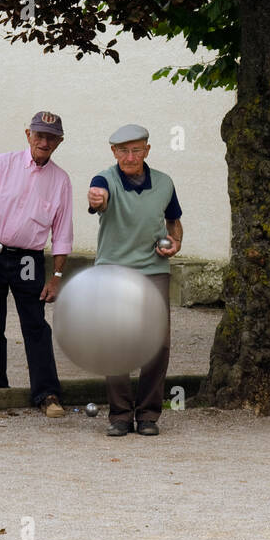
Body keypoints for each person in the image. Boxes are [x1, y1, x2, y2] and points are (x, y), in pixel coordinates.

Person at [0, 111, 74, 417]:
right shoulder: (2, 164)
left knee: (35, 324)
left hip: (28, 259)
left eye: (51, 137)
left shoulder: (61, 181)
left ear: (59, 142)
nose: (44, 141)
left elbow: (62, 234)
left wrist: (56, 277)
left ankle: (48, 393)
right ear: (28, 134)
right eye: (39, 135)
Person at [87, 124, 182, 436]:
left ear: (147, 150)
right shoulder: (105, 179)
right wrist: (97, 199)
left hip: (154, 269)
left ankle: (149, 415)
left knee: (158, 344)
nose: (130, 156)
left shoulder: (165, 183)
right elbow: (96, 199)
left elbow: (174, 221)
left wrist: (175, 241)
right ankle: (120, 415)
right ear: (113, 152)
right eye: (123, 150)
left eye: (136, 149)